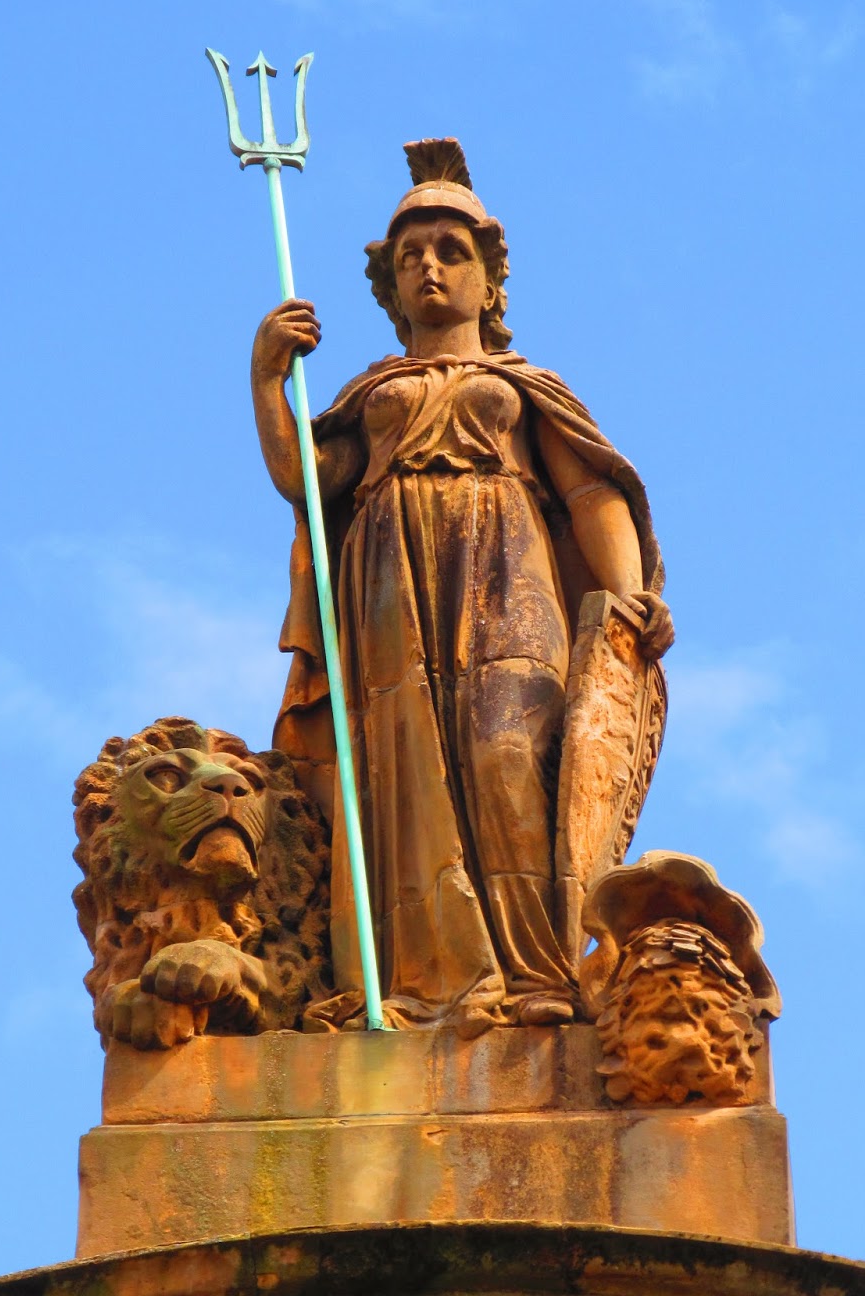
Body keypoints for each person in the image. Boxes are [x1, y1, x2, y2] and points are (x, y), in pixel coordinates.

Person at [250, 139, 673, 1035]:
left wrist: (629, 594)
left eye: (452, 253)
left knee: (508, 753)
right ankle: (418, 977)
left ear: (489, 280)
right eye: (411, 257)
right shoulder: (375, 393)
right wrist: (265, 378)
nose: (430, 269)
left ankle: (538, 971)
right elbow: (305, 483)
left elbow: (592, 491)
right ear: (390, 288)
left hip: (506, 566)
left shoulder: (521, 388)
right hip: (389, 583)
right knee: (401, 774)